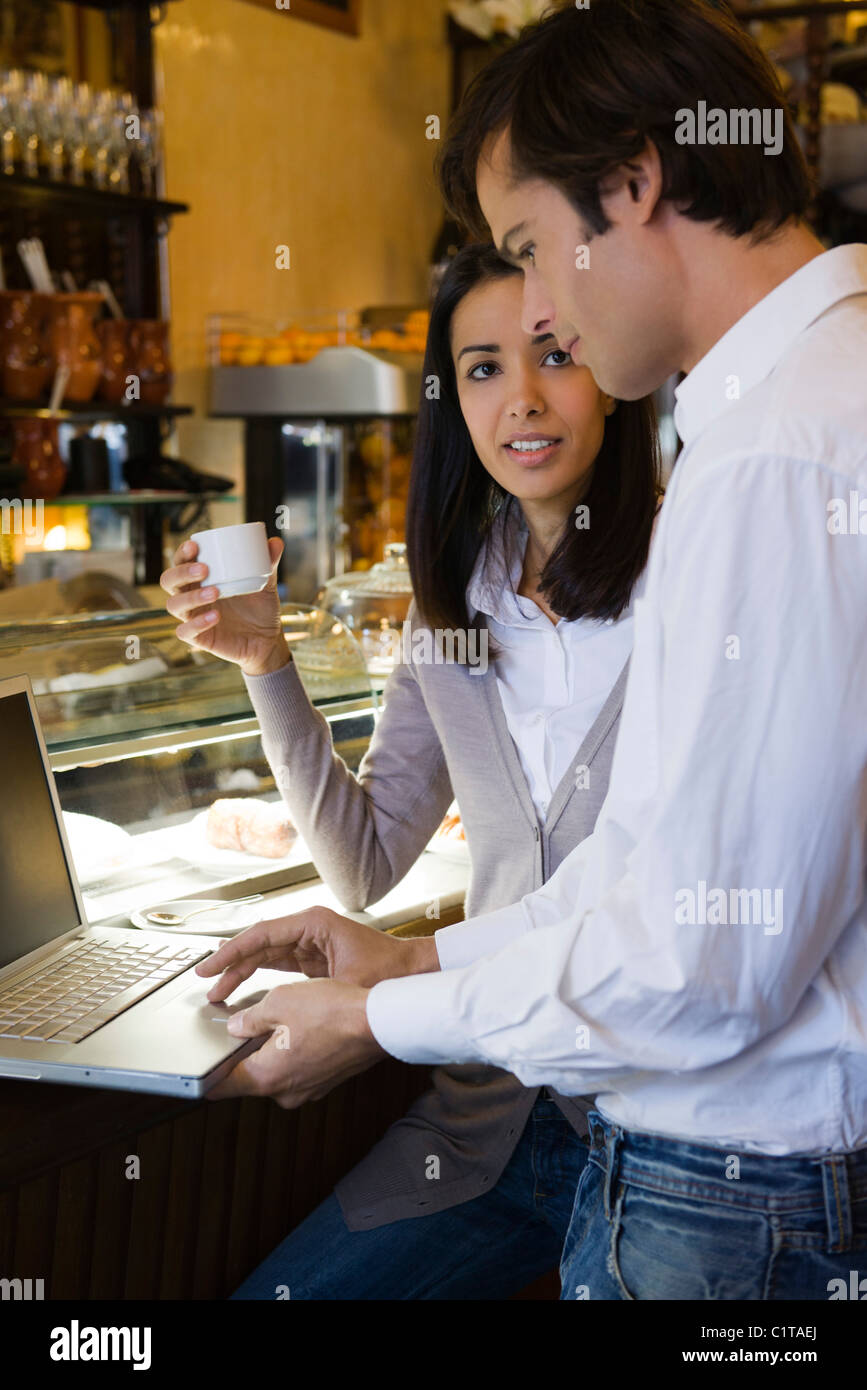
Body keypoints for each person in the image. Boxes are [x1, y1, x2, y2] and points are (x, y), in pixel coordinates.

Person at [182, 0, 867, 1302]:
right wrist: (401, 960)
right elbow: (639, 869)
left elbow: (699, 960)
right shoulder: (790, 413)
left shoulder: (774, 456)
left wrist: (383, 1015)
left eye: (531, 251)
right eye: (485, 355)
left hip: (730, 1185)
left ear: (632, 181)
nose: (538, 315)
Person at [160, 240, 661, 1299]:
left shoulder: (693, 576)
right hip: (487, 1120)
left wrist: (391, 986)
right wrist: (267, 661)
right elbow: (366, 861)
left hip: (661, 1133)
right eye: (481, 368)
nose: (520, 400)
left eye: (553, 355)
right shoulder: (454, 602)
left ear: (613, 375)